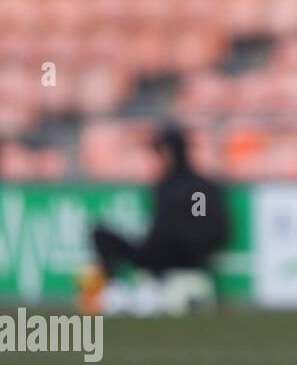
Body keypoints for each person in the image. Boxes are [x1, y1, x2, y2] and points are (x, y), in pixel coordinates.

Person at [78, 124, 230, 313]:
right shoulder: (163, 185)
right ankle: (115, 292)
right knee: (101, 234)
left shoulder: (196, 189)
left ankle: (155, 289)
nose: (159, 158)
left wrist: (181, 238)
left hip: (185, 258)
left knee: (168, 239)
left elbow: (202, 226)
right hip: (154, 255)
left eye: (162, 152)